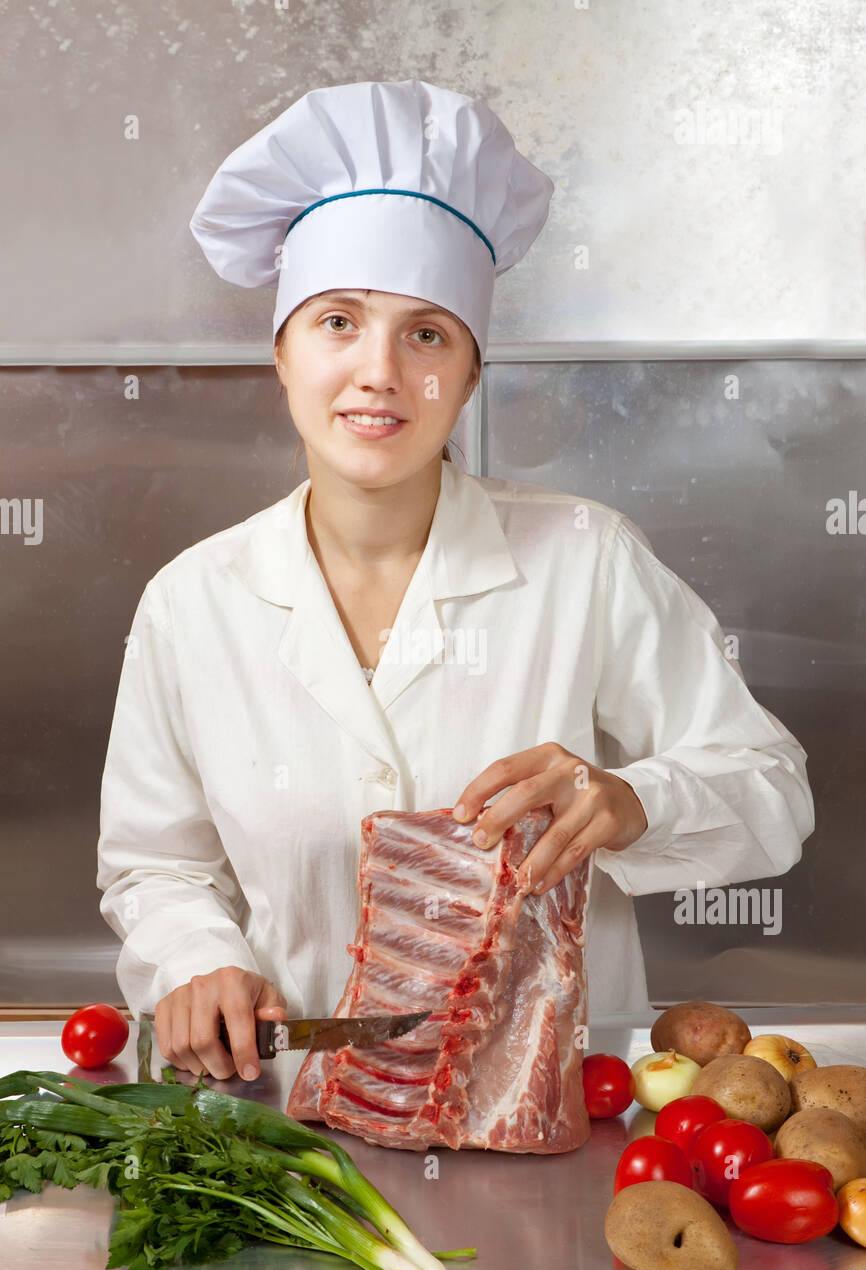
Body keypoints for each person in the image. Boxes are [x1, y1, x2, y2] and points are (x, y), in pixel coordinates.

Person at [96, 79, 815, 1086]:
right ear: (280, 355)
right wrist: (194, 956)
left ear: (471, 372)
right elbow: (155, 861)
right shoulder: (192, 600)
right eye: (337, 321)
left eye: (426, 333)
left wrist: (629, 798)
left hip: (550, 1103)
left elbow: (769, 790)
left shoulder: (584, 557)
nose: (379, 372)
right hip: (289, 1100)